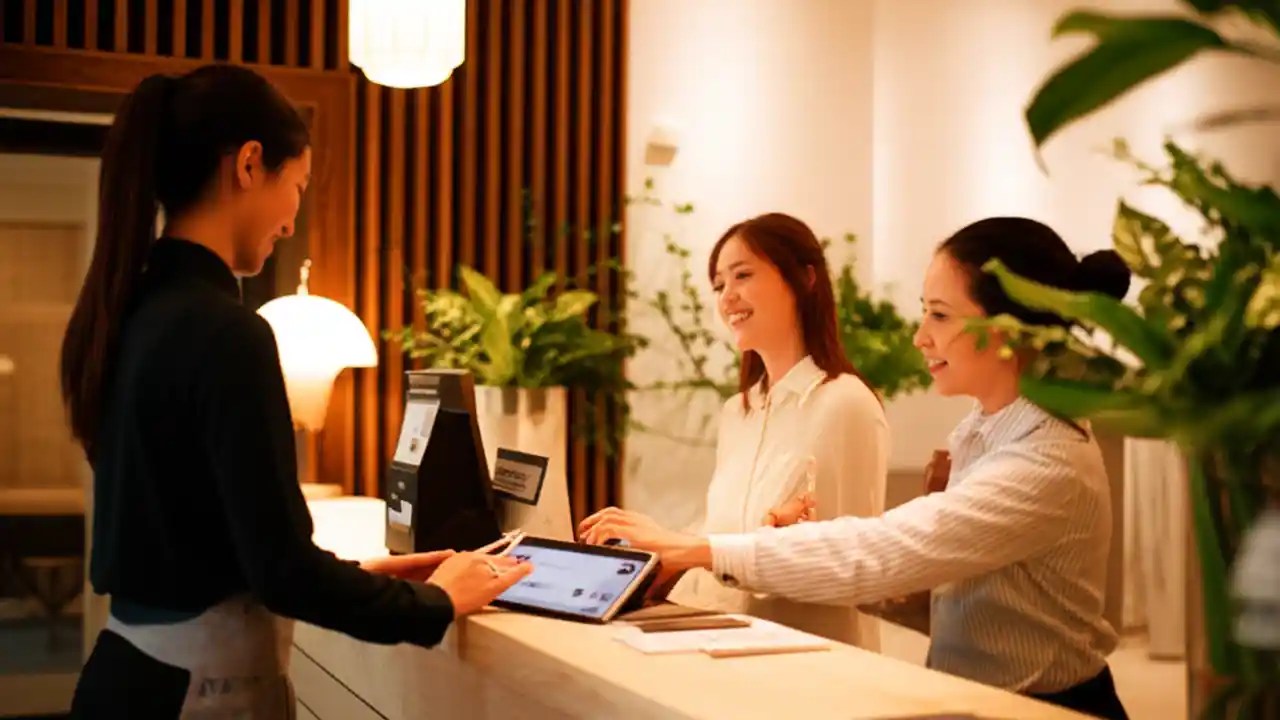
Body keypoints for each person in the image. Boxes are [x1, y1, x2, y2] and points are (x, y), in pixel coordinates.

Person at [63, 65, 531, 719]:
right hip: (196, 696)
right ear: (251, 164)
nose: (292, 218)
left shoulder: (124, 316)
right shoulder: (227, 333)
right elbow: (281, 569)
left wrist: (359, 578)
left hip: (128, 681)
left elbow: (206, 536)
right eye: (299, 186)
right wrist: (438, 601)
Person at [581, 217, 1131, 720]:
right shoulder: (982, 434)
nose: (919, 336)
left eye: (940, 314)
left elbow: (885, 549)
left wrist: (697, 549)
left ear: (1011, 328)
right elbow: (942, 591)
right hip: (974, 696)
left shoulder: (1048, 457)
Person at [640, 213, 890, 649]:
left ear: (804, 278)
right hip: (725, 644)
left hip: (813, 657)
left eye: (743, 275)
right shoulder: (737, 412)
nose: (727, 296)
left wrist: (693, 549)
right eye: (719, 284)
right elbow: (723, 531)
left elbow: (849, 564)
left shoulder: (845, 403)